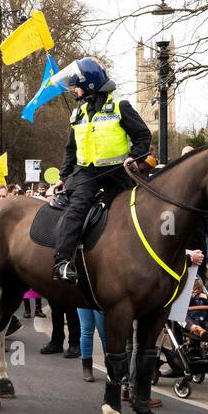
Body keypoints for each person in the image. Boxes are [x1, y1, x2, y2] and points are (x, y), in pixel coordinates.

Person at [50, 57, 151, 282]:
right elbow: (71, 149)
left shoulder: (120, 106)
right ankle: (63, 262)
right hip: (86, 174)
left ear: (89, 86)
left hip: (117, 173)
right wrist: (65, 177)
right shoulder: (77, 114)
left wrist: (135, 156)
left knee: (135, 212)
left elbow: (143, 135)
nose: (73, 91)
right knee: (76, 209)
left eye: (75, 86)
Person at [77, 307, 106, 381]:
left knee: (104, 333)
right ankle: (87, 367)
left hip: (99, 300)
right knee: (86, 330)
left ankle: (110, 365)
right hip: (83, 299)